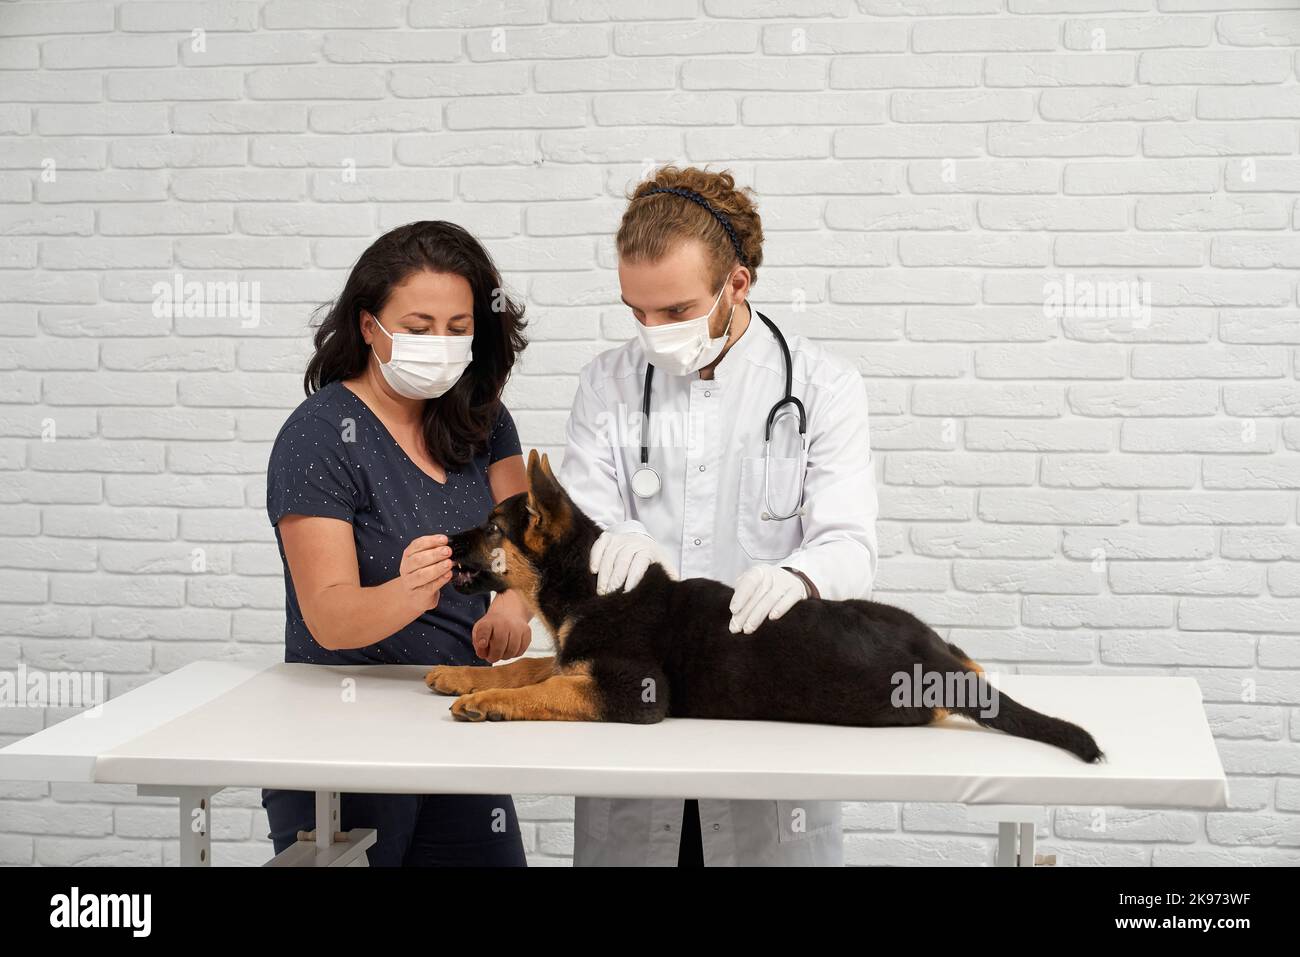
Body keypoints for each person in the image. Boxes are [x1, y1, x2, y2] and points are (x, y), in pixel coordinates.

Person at [557, 166, 880, 866]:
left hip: (766, 716)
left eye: (674, 311)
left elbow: (850, 543)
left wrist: (801, 574)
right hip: (634, 718)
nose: (652, 332)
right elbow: (574, 532)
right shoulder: (605, 386)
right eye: (636, 311)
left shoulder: (823, 389)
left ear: (738, 283)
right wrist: (608, 539)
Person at [261, 221, 532, 866]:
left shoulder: (482, 419)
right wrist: (407, 592)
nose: (440, 344)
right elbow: (329, 619)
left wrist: (513, 606)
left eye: (458, 327)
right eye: (417, 327)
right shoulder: (319, 436)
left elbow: (527, 541)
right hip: (344, 735)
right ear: (367, 326)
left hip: (455, 722)